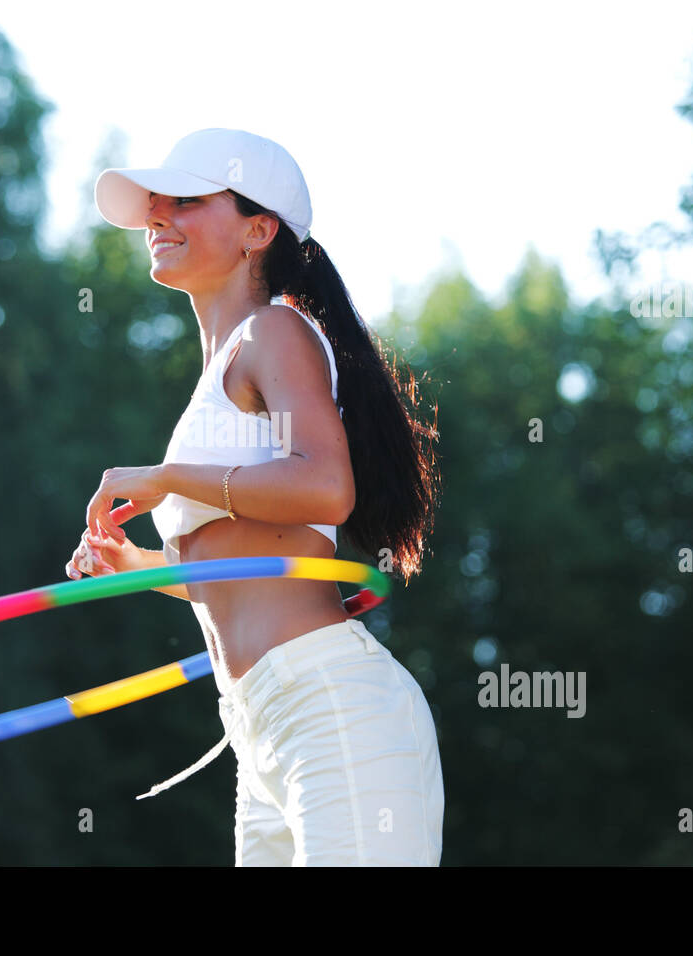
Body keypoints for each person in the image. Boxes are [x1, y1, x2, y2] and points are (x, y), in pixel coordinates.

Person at [66, 128, 444, 866]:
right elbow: (243, 574)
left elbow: (324, 487)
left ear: (257, 229)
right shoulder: (218, 378)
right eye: (154, 204)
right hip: (258, 728)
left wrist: (168, 480)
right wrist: (136, 564)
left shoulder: (272, 333)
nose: (155, 217)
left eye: (184, 201)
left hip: (329, 704)